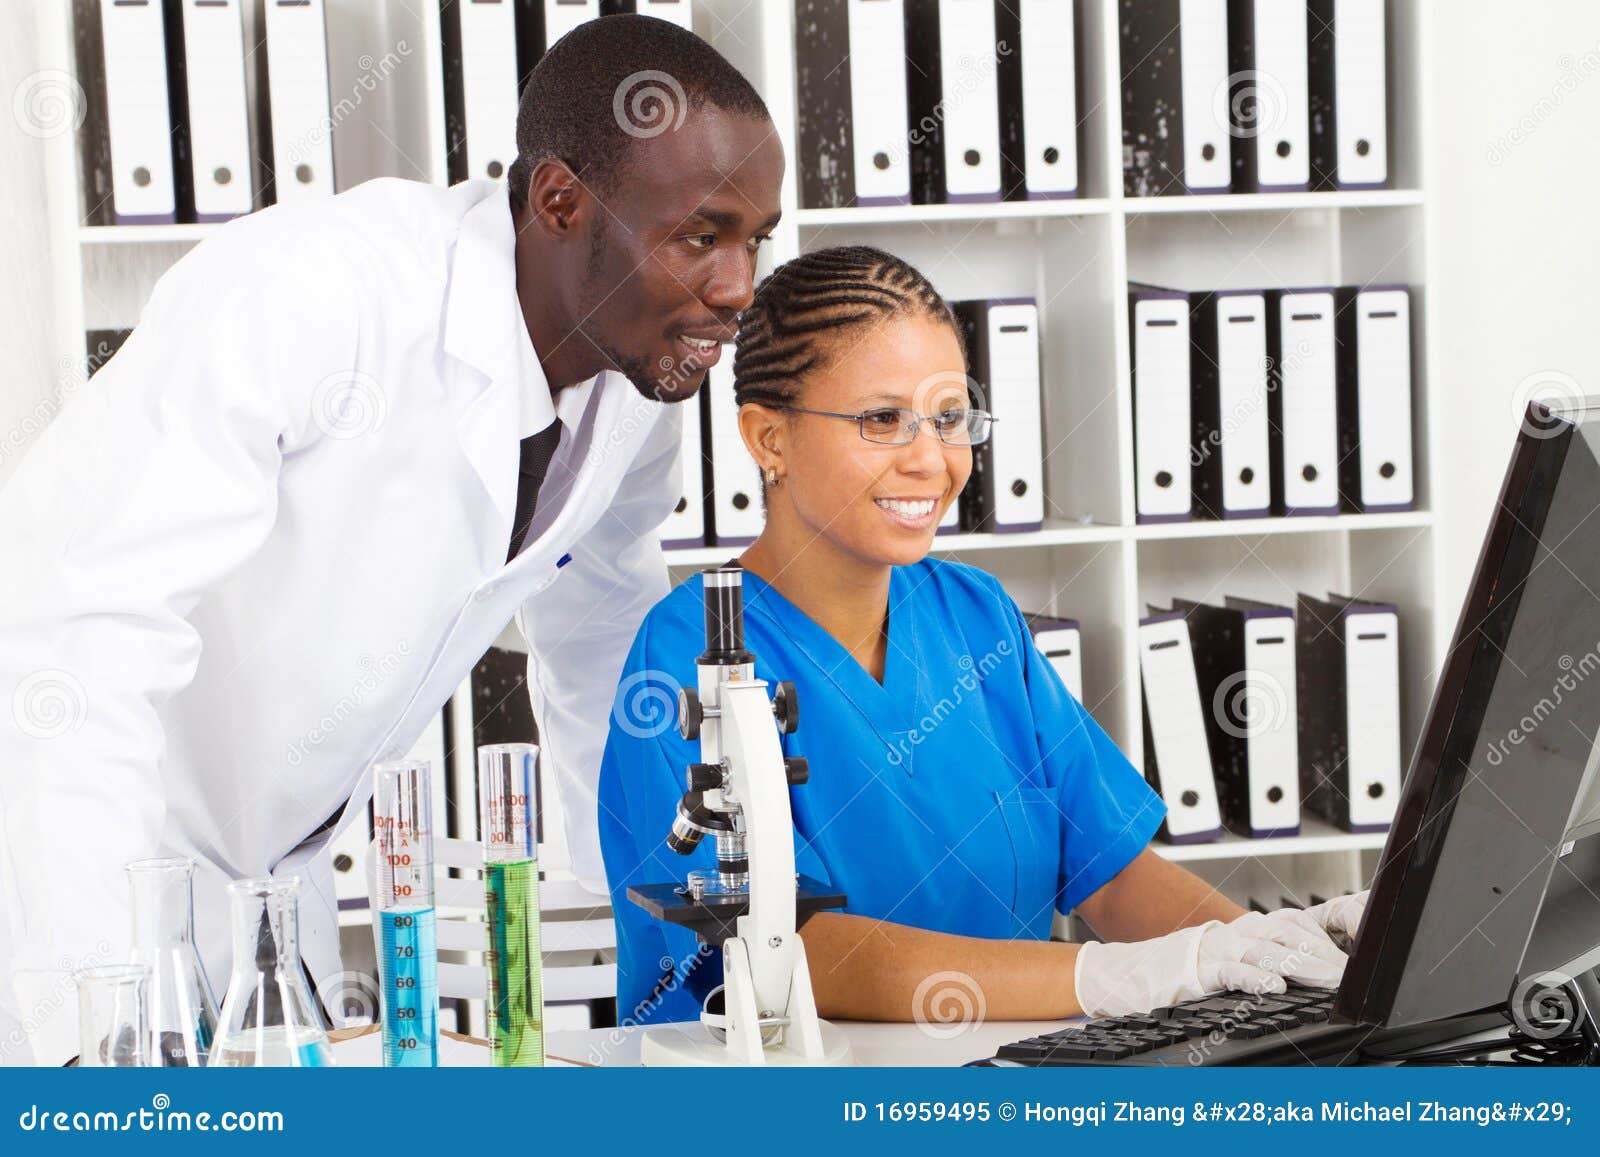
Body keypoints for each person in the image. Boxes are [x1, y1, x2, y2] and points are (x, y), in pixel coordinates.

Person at [0, 15, 783, 1065]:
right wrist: (87, 1028)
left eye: (755, 240)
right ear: (560, 202)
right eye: (701, 235)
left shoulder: (633, 382)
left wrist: (665, 929)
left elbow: (600, 628)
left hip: (283, 903)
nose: (738, 289)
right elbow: (73, 622)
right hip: (82, 890)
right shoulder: (313, 291)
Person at [599, 245, 1367, 1028]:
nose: (932, 459)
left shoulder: (976, 617)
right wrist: (1112, 979)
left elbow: (1111, 872)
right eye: (882, 420)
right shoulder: (685, 659)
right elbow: (791, 950)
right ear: (769, 440)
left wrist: (1269, 951)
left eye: (949, 417)